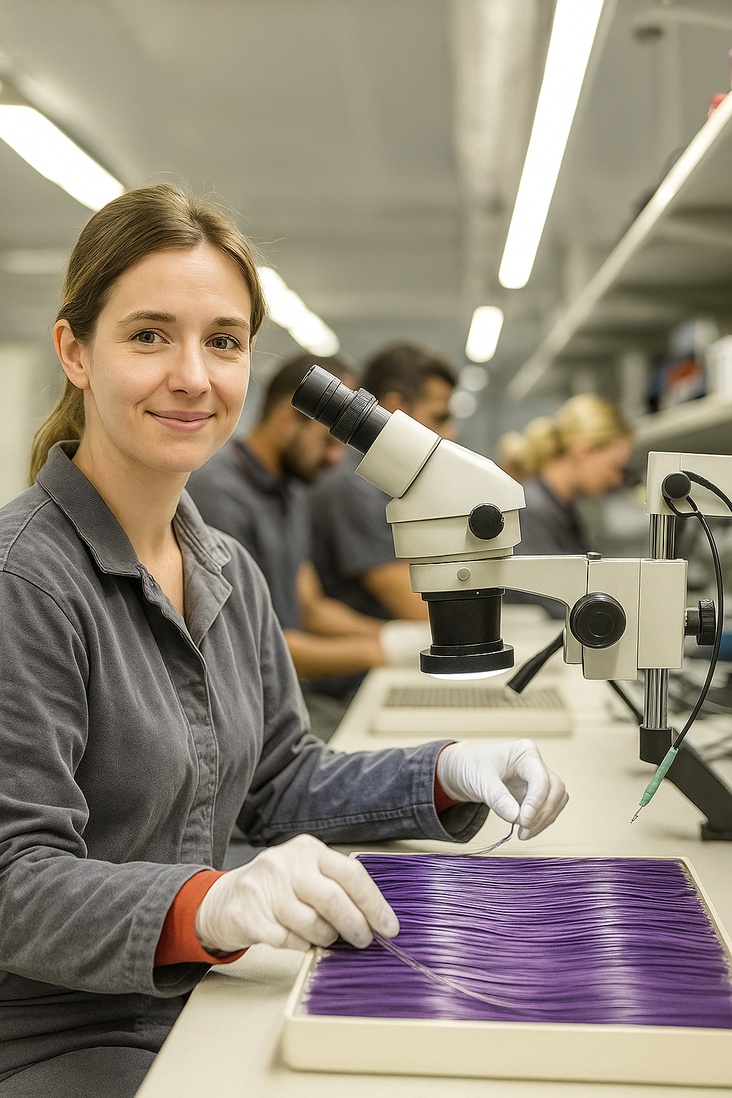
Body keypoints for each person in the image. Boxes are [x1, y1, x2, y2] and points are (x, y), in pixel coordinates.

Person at [0, 183, 567, 1098]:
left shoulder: (224, 566)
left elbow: (278, 781)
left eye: (222, 341)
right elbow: (12, 884)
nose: (193, 374)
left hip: (208, 994)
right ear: (76, 351)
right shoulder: (24, 583)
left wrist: (444, 771)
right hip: (60, 1036)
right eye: (149, 335)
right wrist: (212, 900)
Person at [186, 354, 426, 723]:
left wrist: (399, 638)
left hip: (285, 696)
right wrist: (380, 652)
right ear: (287, 417)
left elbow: (311, 608)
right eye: (328, 444)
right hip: (238, 714)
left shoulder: (293, 491)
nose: (335, 460)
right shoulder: (219, 494)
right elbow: (252, 647)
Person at [309, 341, 457, 621]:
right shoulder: (354, 487)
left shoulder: (392, 484)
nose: (449, 433)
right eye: (439, 417)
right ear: (395, 407)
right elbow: (417, 608)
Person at [500, 394, 634, 618]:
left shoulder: (560, 508)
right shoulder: (532, 510)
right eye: (615, 466)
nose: (617, 480)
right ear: (584, 451)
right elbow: (555, 602)